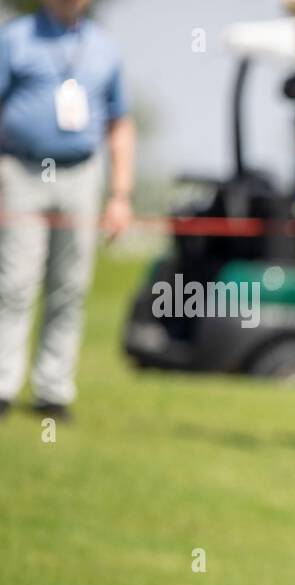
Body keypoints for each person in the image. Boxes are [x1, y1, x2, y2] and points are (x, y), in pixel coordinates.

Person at [0, 0, 133, 421]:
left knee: (70, 285)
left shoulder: (104, 47)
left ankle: (53, 391)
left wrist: (120, 195)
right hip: (20, 170)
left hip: (80, 174)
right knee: (14, 282)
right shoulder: (14, 39)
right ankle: (2, 385)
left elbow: (119, 122)